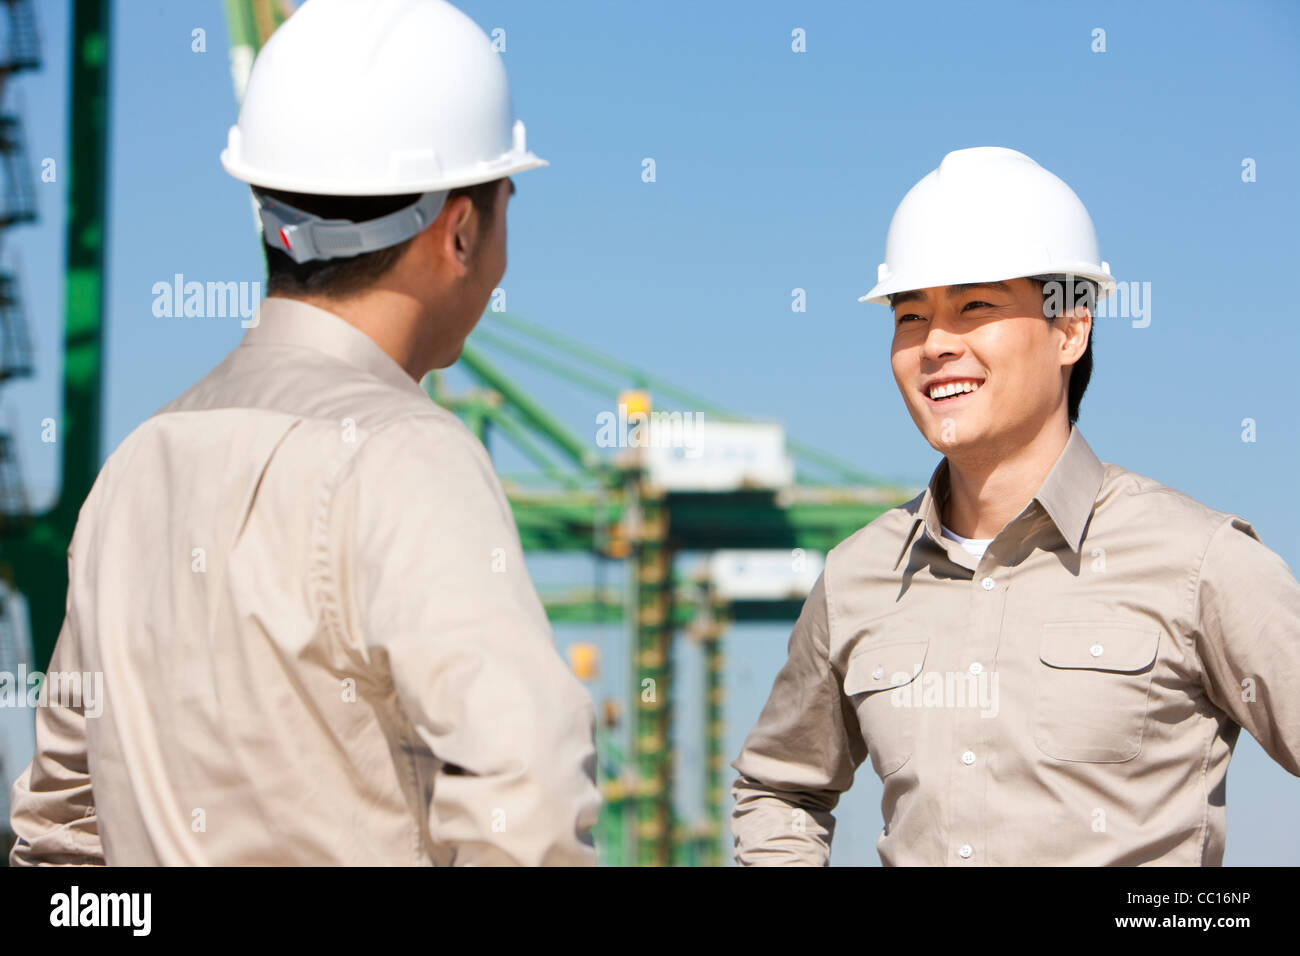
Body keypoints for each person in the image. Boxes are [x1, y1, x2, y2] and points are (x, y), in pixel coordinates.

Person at [9, 0, 600, 866]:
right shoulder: (409, 457)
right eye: (507, 198)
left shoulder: (134, 467)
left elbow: (60, 824)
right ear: (462, 229)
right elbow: (530, 805)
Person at [730, 146, 1300, 866]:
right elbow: (780, 788)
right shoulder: (856, 579)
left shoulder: (1201, 563)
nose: (936, 343)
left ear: (1070, 329)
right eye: (911, 316)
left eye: (975, 306)